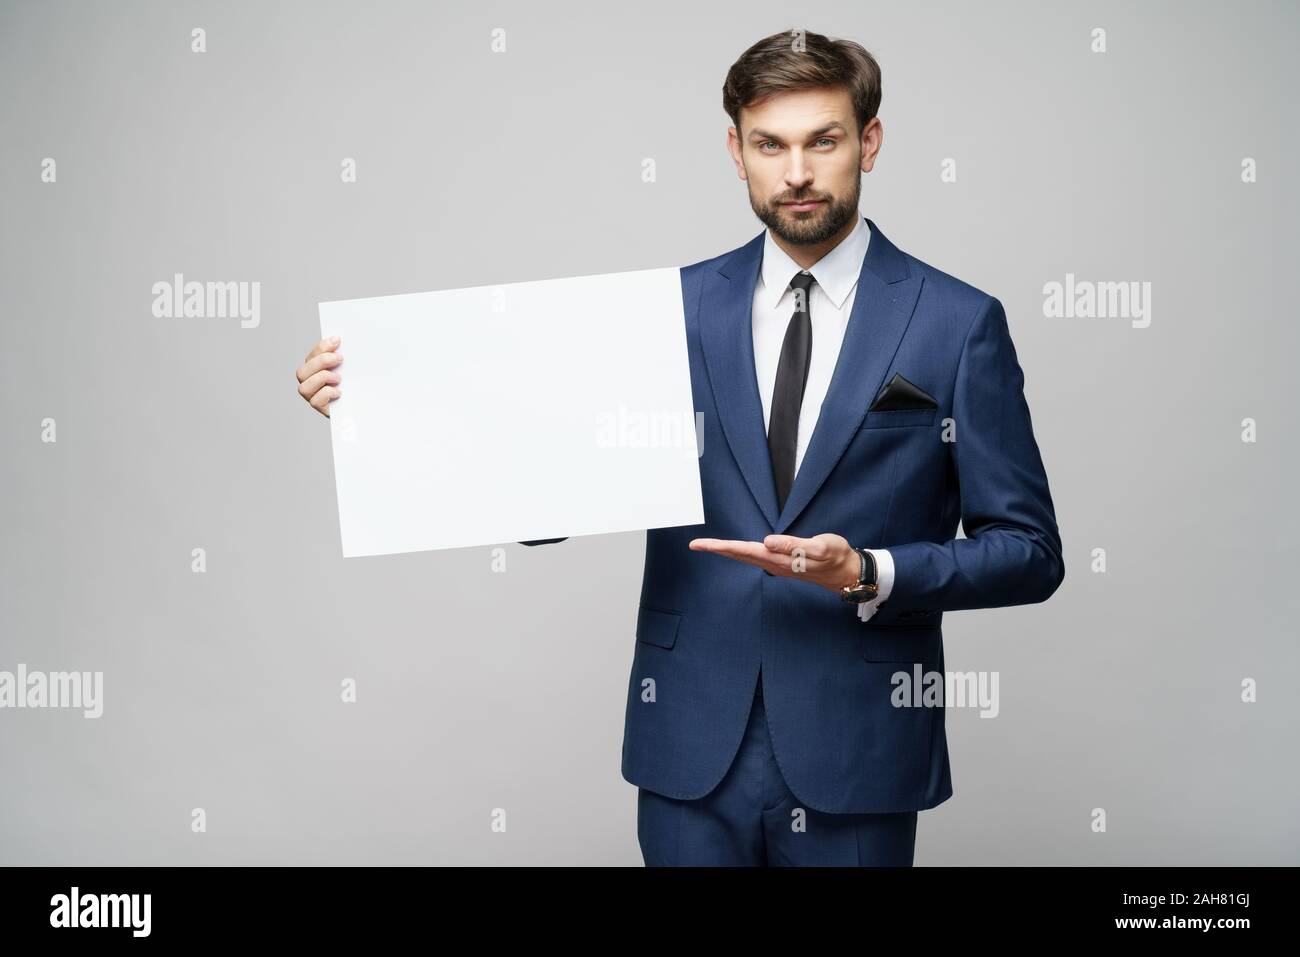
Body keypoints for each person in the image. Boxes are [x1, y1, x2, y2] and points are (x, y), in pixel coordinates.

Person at [294, 28, 1064, 866]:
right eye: (770, 144)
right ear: (736, 151)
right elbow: (549, 489)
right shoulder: (667, 312)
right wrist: (389, 417)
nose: (796, 172)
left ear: (869, 142)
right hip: (690, 743)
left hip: (859, 747)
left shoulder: (957, 323)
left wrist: (869, 571)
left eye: (823, 141)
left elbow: (1028, 551)